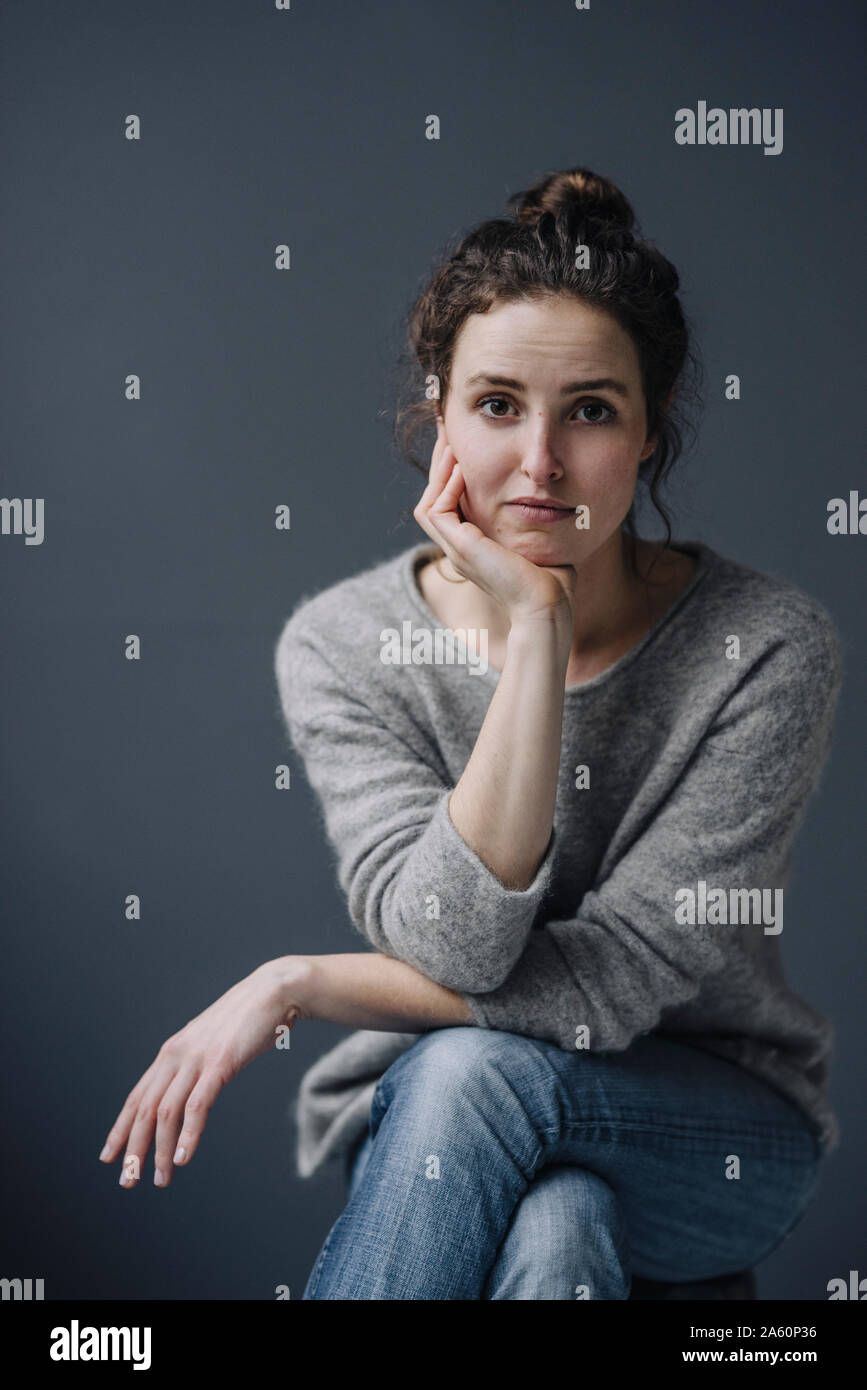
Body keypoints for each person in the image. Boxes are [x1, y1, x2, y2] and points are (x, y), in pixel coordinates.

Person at [99, 167, 843, 1301]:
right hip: (439, 1119)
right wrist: (539, 636)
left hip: (709, 1122)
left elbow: (618, 981)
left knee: (480, 1072)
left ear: (649, 433)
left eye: (590, 410)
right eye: (498, 406)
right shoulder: (343, 643)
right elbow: (459, 943)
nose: (539, 464)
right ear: (439, 416)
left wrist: (302, 981)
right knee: (555, 1228)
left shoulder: (767, 646)